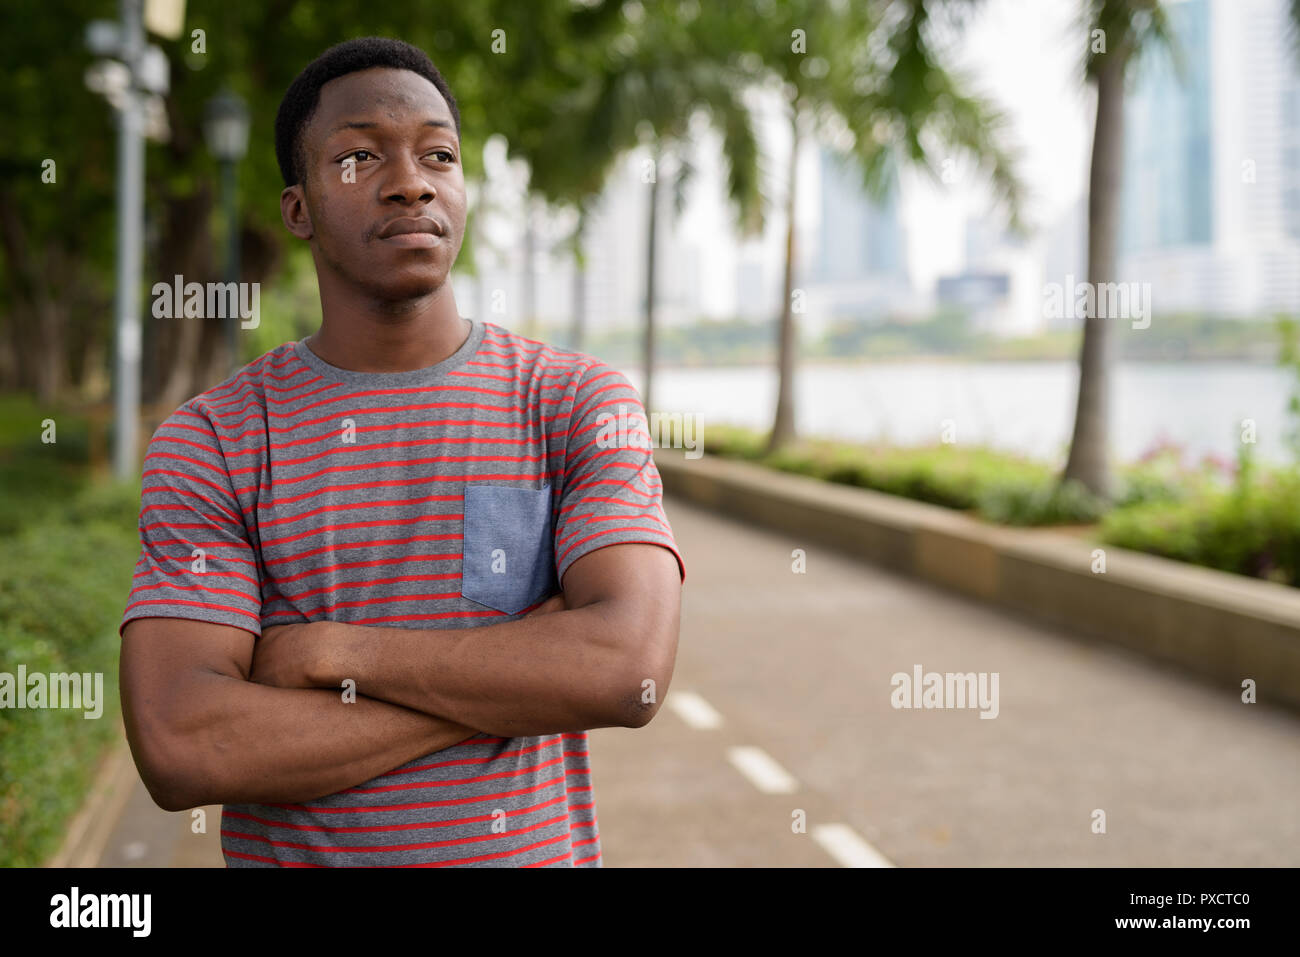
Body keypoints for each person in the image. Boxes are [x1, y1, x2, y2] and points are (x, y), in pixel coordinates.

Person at [118, 37, 685, 868]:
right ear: (298, 209)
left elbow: (626, 670)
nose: (411, 180)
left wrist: (334, 653)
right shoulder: (216, 439)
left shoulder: (573, 403)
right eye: (357, 157)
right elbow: (184, 744)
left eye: (438, 154)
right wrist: (522, 673)